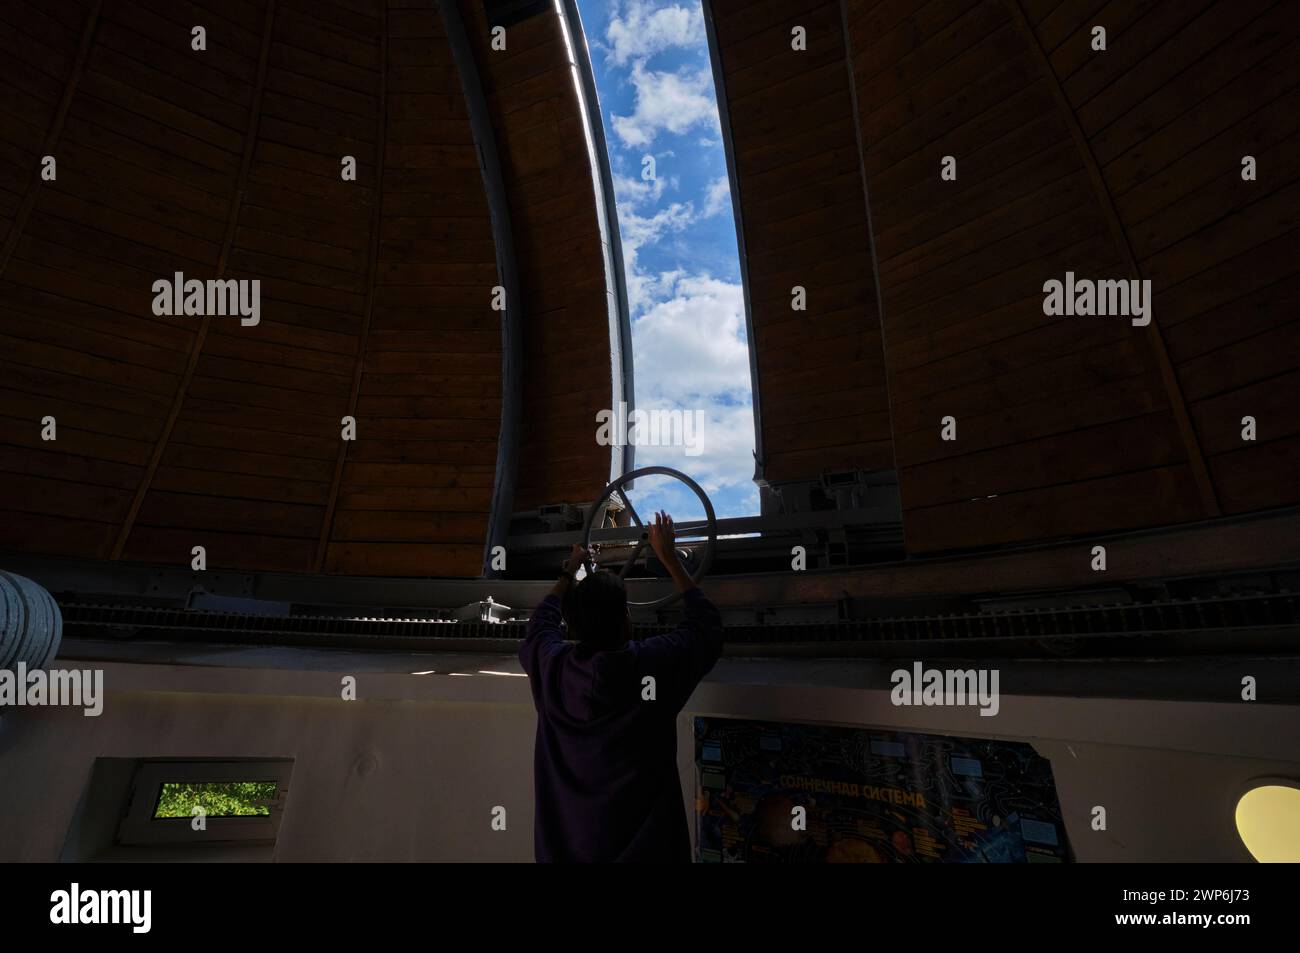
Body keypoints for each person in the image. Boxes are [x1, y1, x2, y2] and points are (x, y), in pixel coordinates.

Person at [519, 510, 724, 862]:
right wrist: (671, 559)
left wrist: (570, 570)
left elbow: (539, 626)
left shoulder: (552, 669)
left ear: (574, 628)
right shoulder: (652, 668)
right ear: (627, 622)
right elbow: (706, 629)